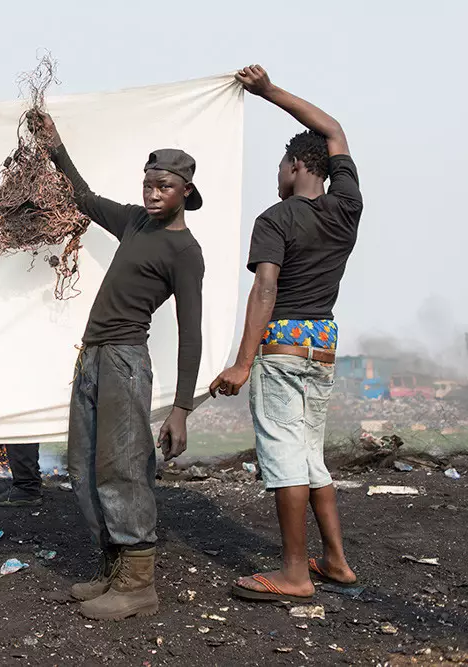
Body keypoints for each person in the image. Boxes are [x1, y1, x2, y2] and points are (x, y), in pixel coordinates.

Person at [32, 111, 205, 621]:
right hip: (93, 356)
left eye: (164, 186)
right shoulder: (133, 221)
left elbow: (192, 332)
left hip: (127, 360)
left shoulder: (184, 250)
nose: (153, 193)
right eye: (148, 184)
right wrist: (55, 147)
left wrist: (181, 409)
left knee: (123, 467)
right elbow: (83, 199)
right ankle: (111, 567)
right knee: (83, 466)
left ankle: (138, 584)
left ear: (185, 191)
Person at [210, 65, 360, 603]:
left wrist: (242, 361)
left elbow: (265, 292)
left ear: (296, 166)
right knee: (311, 455)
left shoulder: (275, 219)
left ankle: (296, 574)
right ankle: (336, 562)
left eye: (280, 164)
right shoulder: (347, 209)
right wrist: (269, 92)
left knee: (284, 459)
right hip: (321, 348)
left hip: (280, 351)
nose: (276, 172)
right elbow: (335, 129)